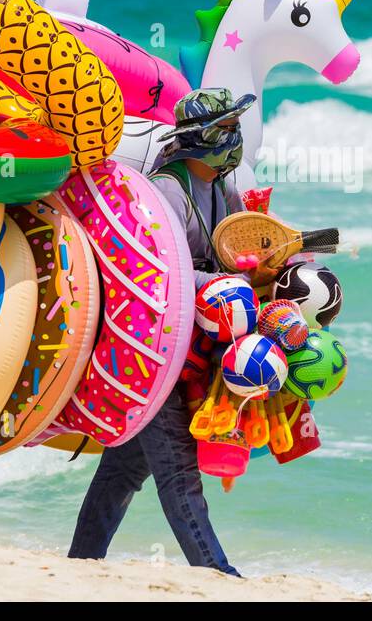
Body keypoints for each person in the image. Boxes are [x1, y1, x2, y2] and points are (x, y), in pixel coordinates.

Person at [67, 88, 256, 575]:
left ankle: (82, 562)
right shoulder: (165, 191)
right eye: (228, 129)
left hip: (188, 346)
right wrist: (215, 283)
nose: (236, 138)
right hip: (149, 348)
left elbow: (238, 244)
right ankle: (216, 572)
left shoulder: (221, 187)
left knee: (126, 468)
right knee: (177, 469)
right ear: (205, 138)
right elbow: (154, 270)